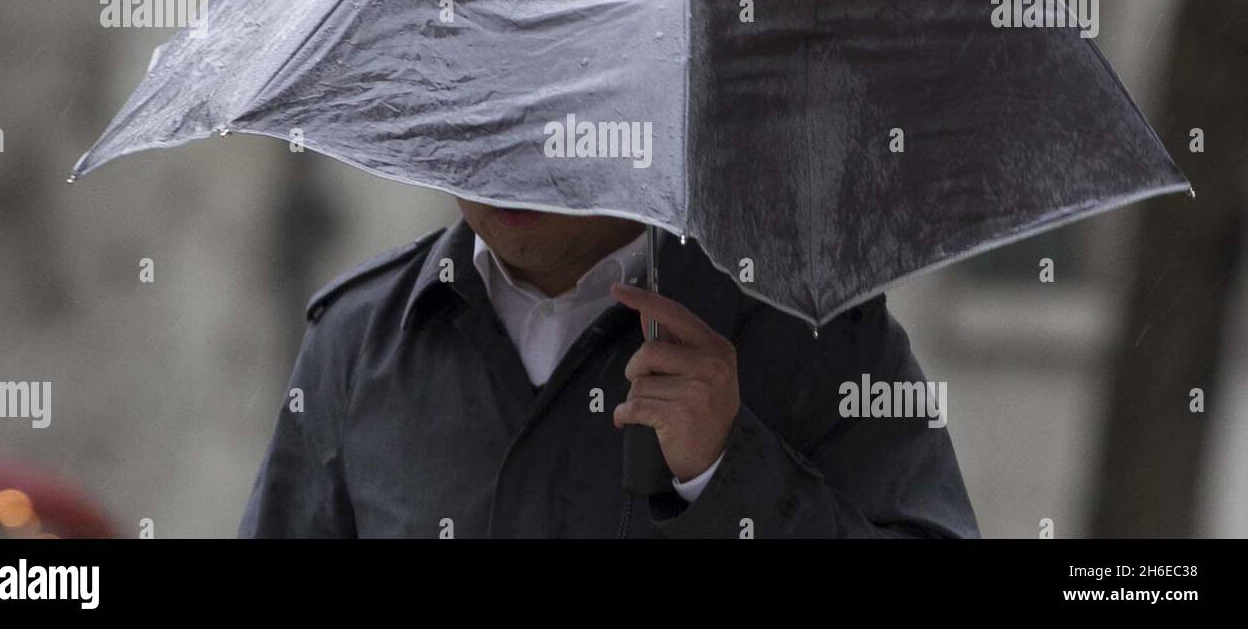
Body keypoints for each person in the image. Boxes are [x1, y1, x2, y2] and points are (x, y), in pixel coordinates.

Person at [238, 198, 978, 538]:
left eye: (545, 105)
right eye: (473, 110)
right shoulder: (358, 341)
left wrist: (728, 475)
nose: (504, 150)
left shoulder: (814, 336)